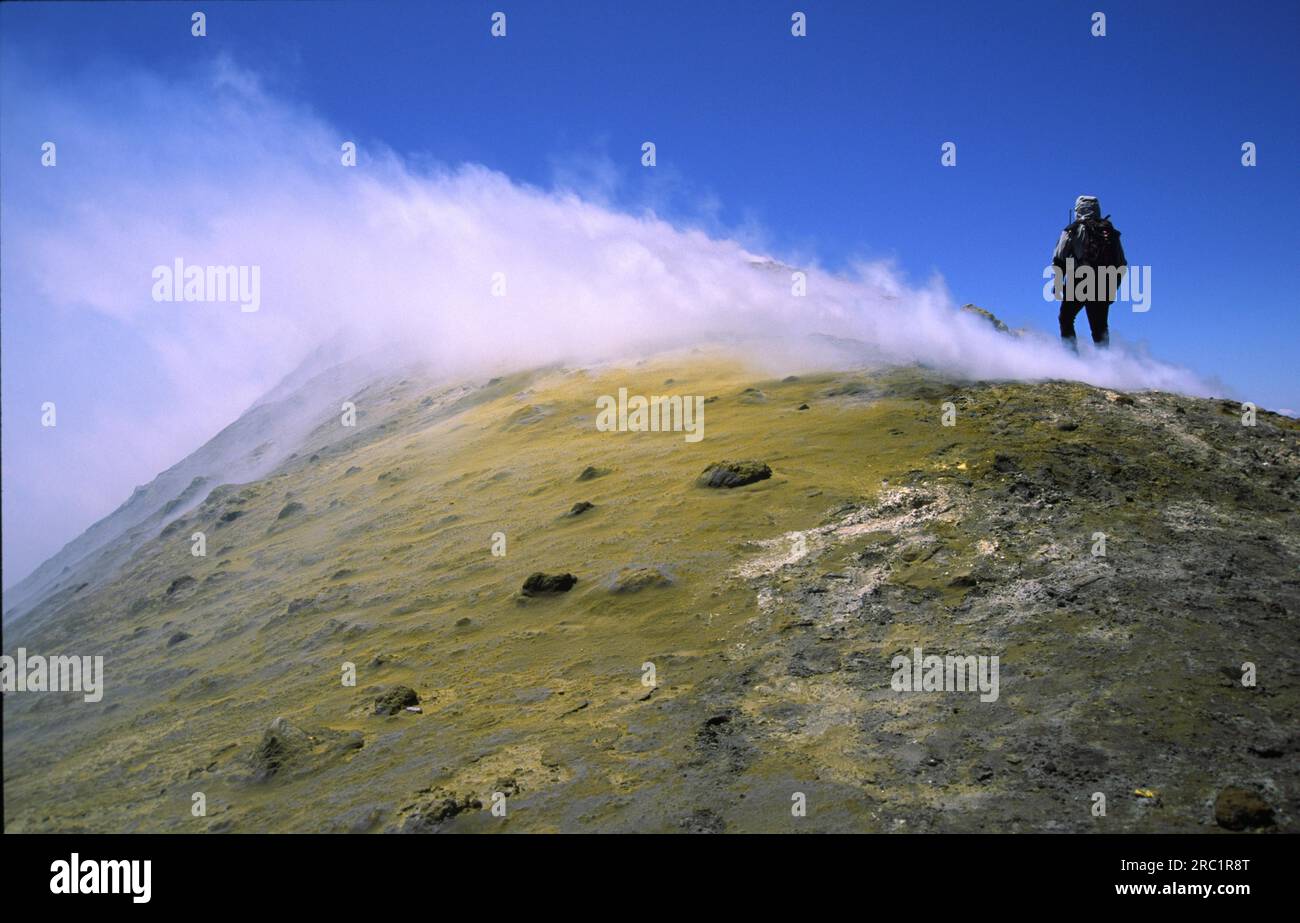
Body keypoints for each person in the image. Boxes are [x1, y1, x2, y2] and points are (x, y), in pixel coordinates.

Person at [1052, 195, 1126, 352]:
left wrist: (1058, 283)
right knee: (1099, 328)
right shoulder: (1110, 233)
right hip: (1104, 282)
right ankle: (1104, 366)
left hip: (1079, 279)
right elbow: (1121, 264)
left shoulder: (1072, 229)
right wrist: (1112, 288)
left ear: (1078, 209)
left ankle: (1071, 358)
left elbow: (1059, 257)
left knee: (1066, 318)